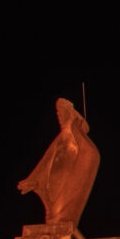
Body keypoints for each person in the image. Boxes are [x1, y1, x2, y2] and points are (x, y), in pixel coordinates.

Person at [18, 97, 101, 226]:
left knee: (60, 212)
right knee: (52, 210)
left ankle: (59, 227)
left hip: (70, 179)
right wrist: (32, 179)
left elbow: (89, 154)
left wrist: (76, 127)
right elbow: (46, 161)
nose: (59, 116)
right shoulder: (62, 138)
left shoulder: (74, 135)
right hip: (56, 180)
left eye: (62, 112)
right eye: (58, 113)